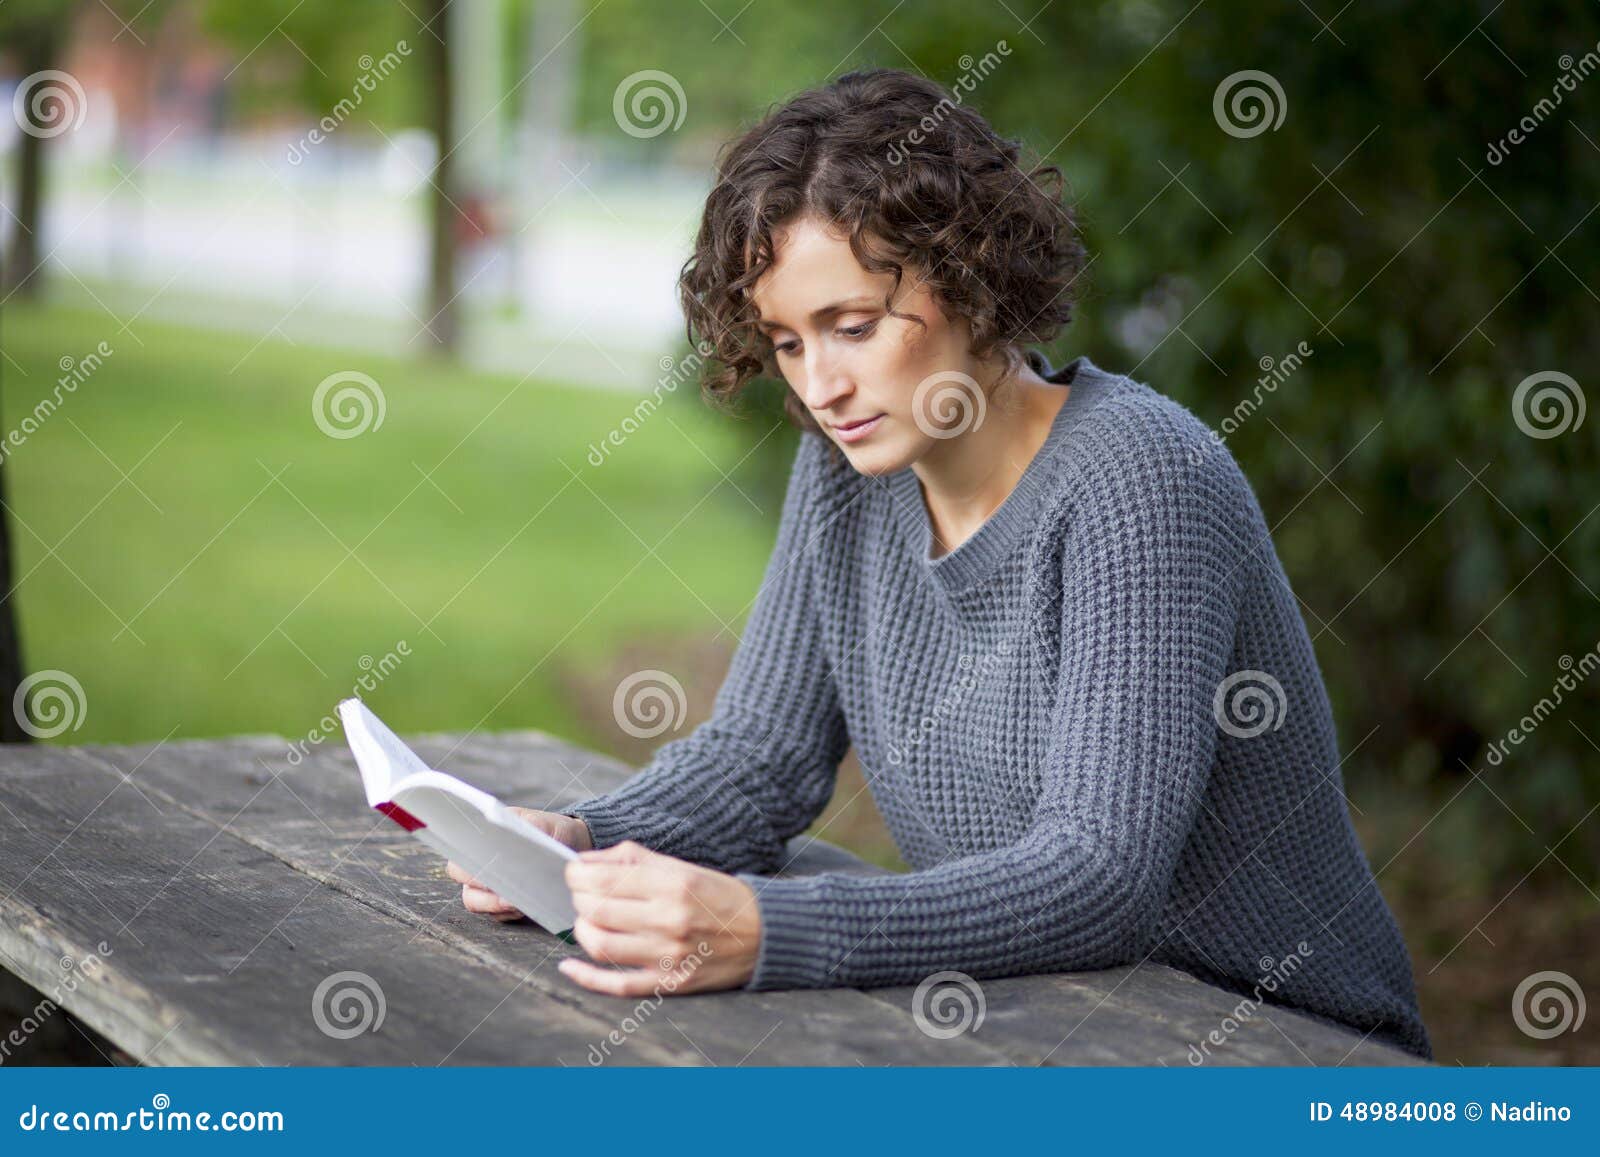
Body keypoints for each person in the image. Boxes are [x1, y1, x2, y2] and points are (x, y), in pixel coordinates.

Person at [447, 67, 1431, 1060]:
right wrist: (579, 840)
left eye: (853, 326)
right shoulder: (848, 471)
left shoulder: (1141, 479)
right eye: (787, 342)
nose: (821, 384)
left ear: (968, 275)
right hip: (1047, 1027)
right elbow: (759, 760)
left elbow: (1099, 878)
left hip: (1281, 1047)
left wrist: (769, 929)